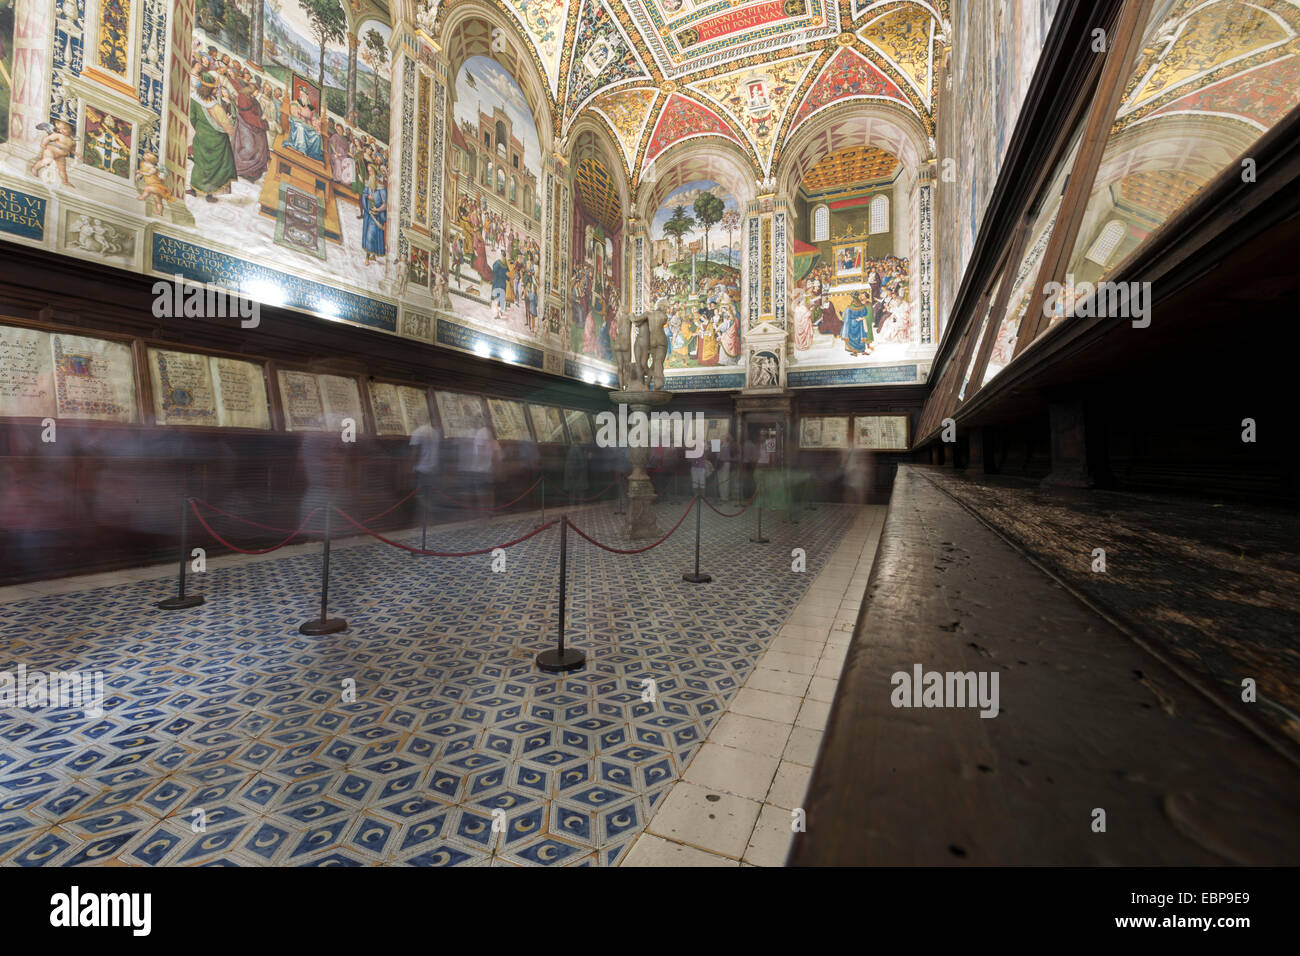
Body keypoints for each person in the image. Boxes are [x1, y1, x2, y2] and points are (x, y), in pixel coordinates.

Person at [188, 73, 237, 202]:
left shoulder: (194, 99)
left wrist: (200, 129)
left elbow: (192, 118)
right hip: (217, 140)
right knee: (215, 167)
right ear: (208, 89)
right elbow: (226, 124)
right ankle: (209, 194)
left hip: (201, 136)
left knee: (200, 164)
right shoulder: (214, 105)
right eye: (215, 88)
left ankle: (194, 189)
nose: (217, 91)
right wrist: (229, 124)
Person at [409, 409, 441, 521]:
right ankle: (430, 520)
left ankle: (425, 521)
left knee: (420, 496)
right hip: (433, 468)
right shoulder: (435, 432)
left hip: (421, 469)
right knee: (429, 495)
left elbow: (414, 453)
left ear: (419, 418)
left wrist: (409, 468)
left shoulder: (418, 432)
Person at [361, 166, 387, 265]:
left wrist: (377, 208)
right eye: (369, 172)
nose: (370, 173)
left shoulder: (381, 187)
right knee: (368, 236)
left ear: (375, 172)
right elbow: (364, 195)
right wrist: (367, 198)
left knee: (374, 236)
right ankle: (367, 257)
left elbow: (385, 204)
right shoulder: (368, 185)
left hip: (377, 216)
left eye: (371, 171)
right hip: (369, 214)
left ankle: (372, 255)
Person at [842, 291, 874, 356]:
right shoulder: (862, 306)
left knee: (853, 338)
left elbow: (845, 318)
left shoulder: (849, 308)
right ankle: (862, 351)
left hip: (851, 324)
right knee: (860, 337)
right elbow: (865, 313)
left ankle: (855, 352)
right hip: (860, 324)